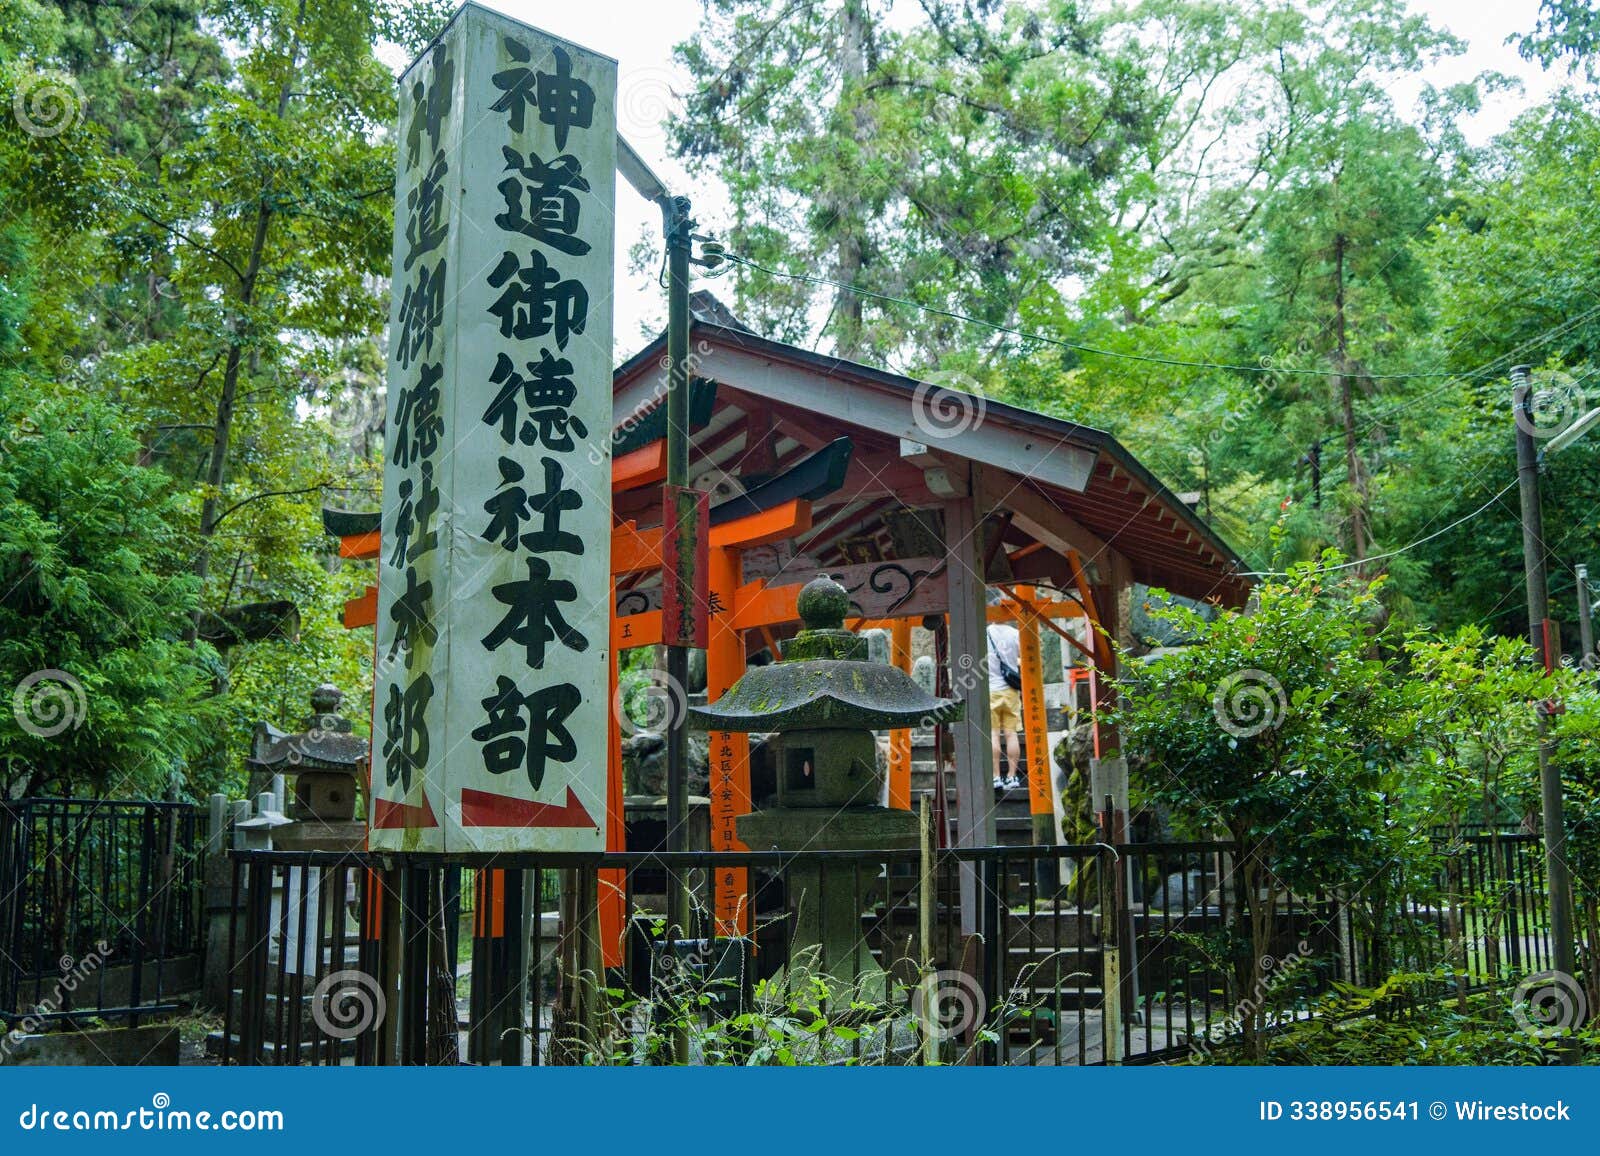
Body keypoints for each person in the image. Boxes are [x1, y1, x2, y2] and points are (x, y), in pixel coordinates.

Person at [986, 620, 1023, 789]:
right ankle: (1011, 776)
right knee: (1011, 734)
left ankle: (995, 776)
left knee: (993, 734)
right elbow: (1023, 657)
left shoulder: (984, 633)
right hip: (1010, 691)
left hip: (990, 690)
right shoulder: (1014, 633)